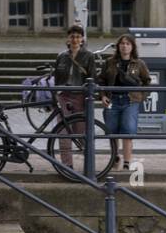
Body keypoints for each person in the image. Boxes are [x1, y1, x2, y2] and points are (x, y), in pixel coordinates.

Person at [99, 33, 151, 171]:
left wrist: (141, 97)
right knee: (112, 131)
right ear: (118, 46)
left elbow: (147, 82)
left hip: (130, 101)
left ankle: (127, 162)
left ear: (132, 47)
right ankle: (115, 158)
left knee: (127, 131)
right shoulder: (109, 62)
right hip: (112, 100)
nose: (124, 46)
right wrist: (103, 95)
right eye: (122, 43)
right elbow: (101, 80)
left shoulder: (139, 64)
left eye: (128, 44)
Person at [53, 24, 96, 169]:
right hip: (64, 97)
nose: (75, 39)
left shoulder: (88, 56)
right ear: (68, 38)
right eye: (72, 36)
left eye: (78, 37)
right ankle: (67, 165)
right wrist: (57, 93)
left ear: (82, 39)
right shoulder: (62, 56)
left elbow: (92, 77)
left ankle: (88, 165)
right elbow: (57, 77)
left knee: (80, 133)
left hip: (80, 97)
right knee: (63, 132)